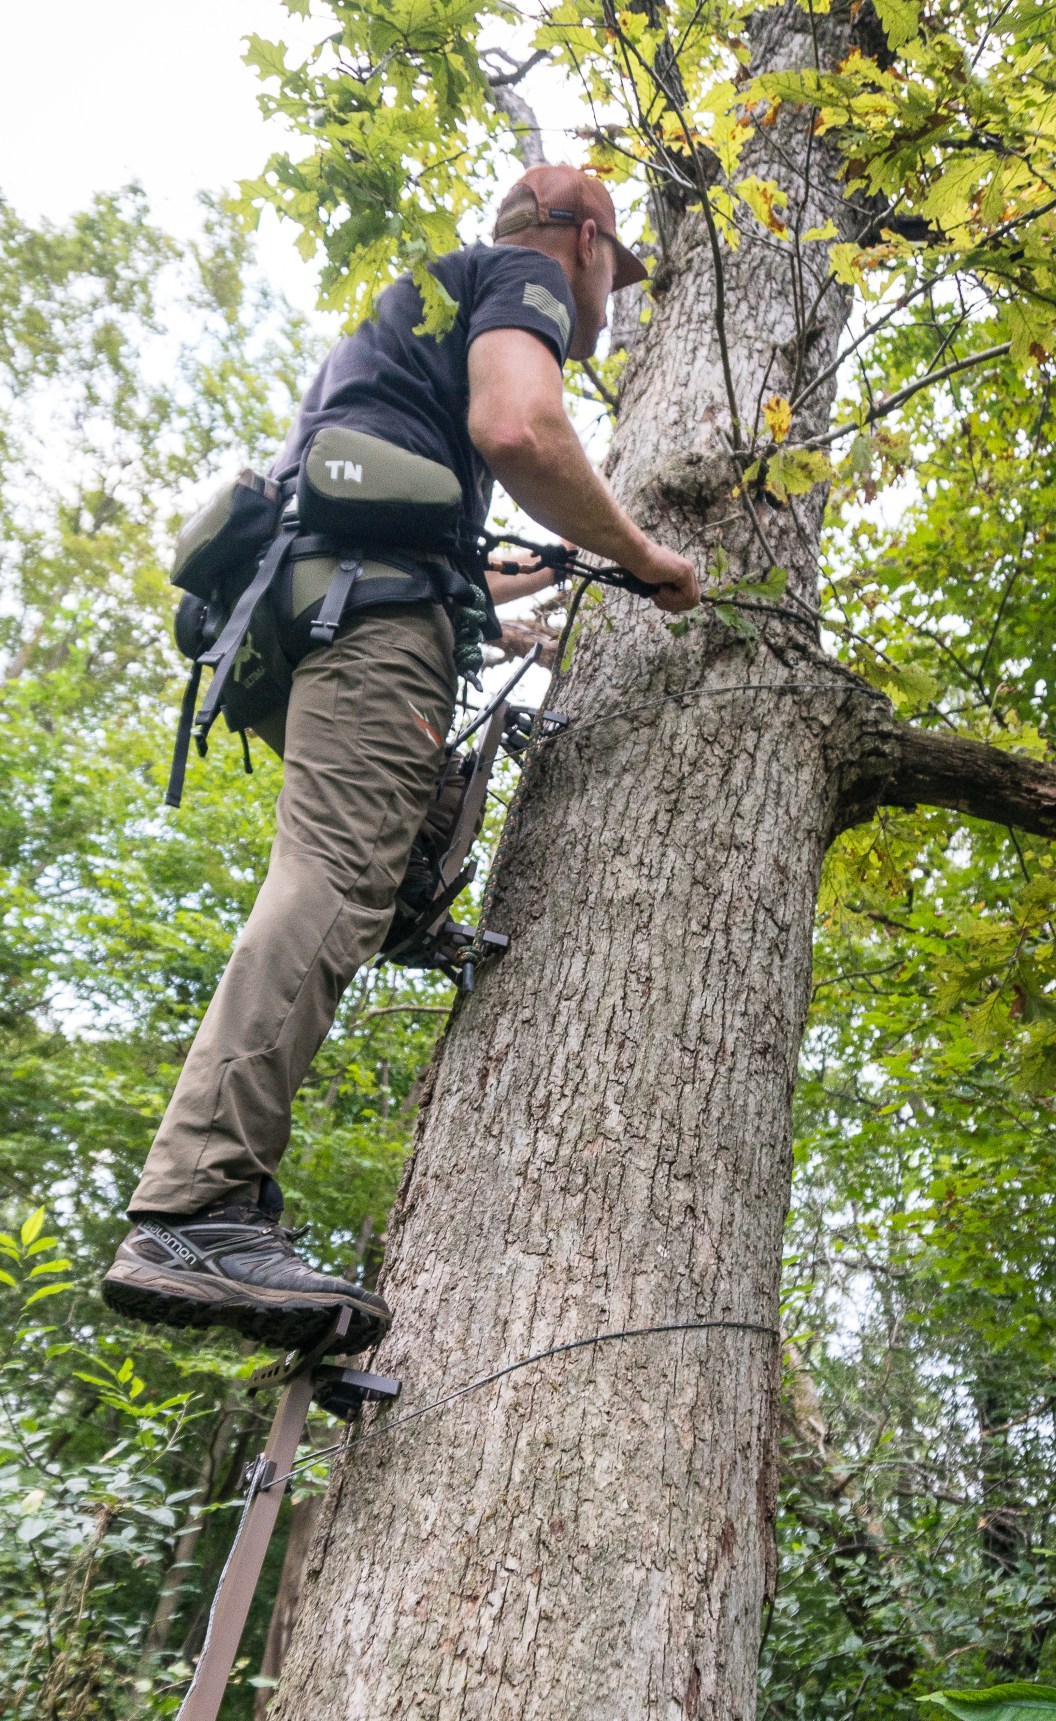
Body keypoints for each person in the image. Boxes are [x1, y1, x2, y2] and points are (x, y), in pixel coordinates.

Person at [102, 164, 700, 1354]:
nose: (608, 300)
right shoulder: (521, 277)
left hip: (312, 610)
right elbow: (518, 429)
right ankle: (196, 1207)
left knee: (379, 852)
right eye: (614, 272)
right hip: (366, 620)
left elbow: (401, 507)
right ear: (584, 240)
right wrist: (645, 556)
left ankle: (411, 913)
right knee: (333, 875)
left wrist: (505, 604)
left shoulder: (410, 322)